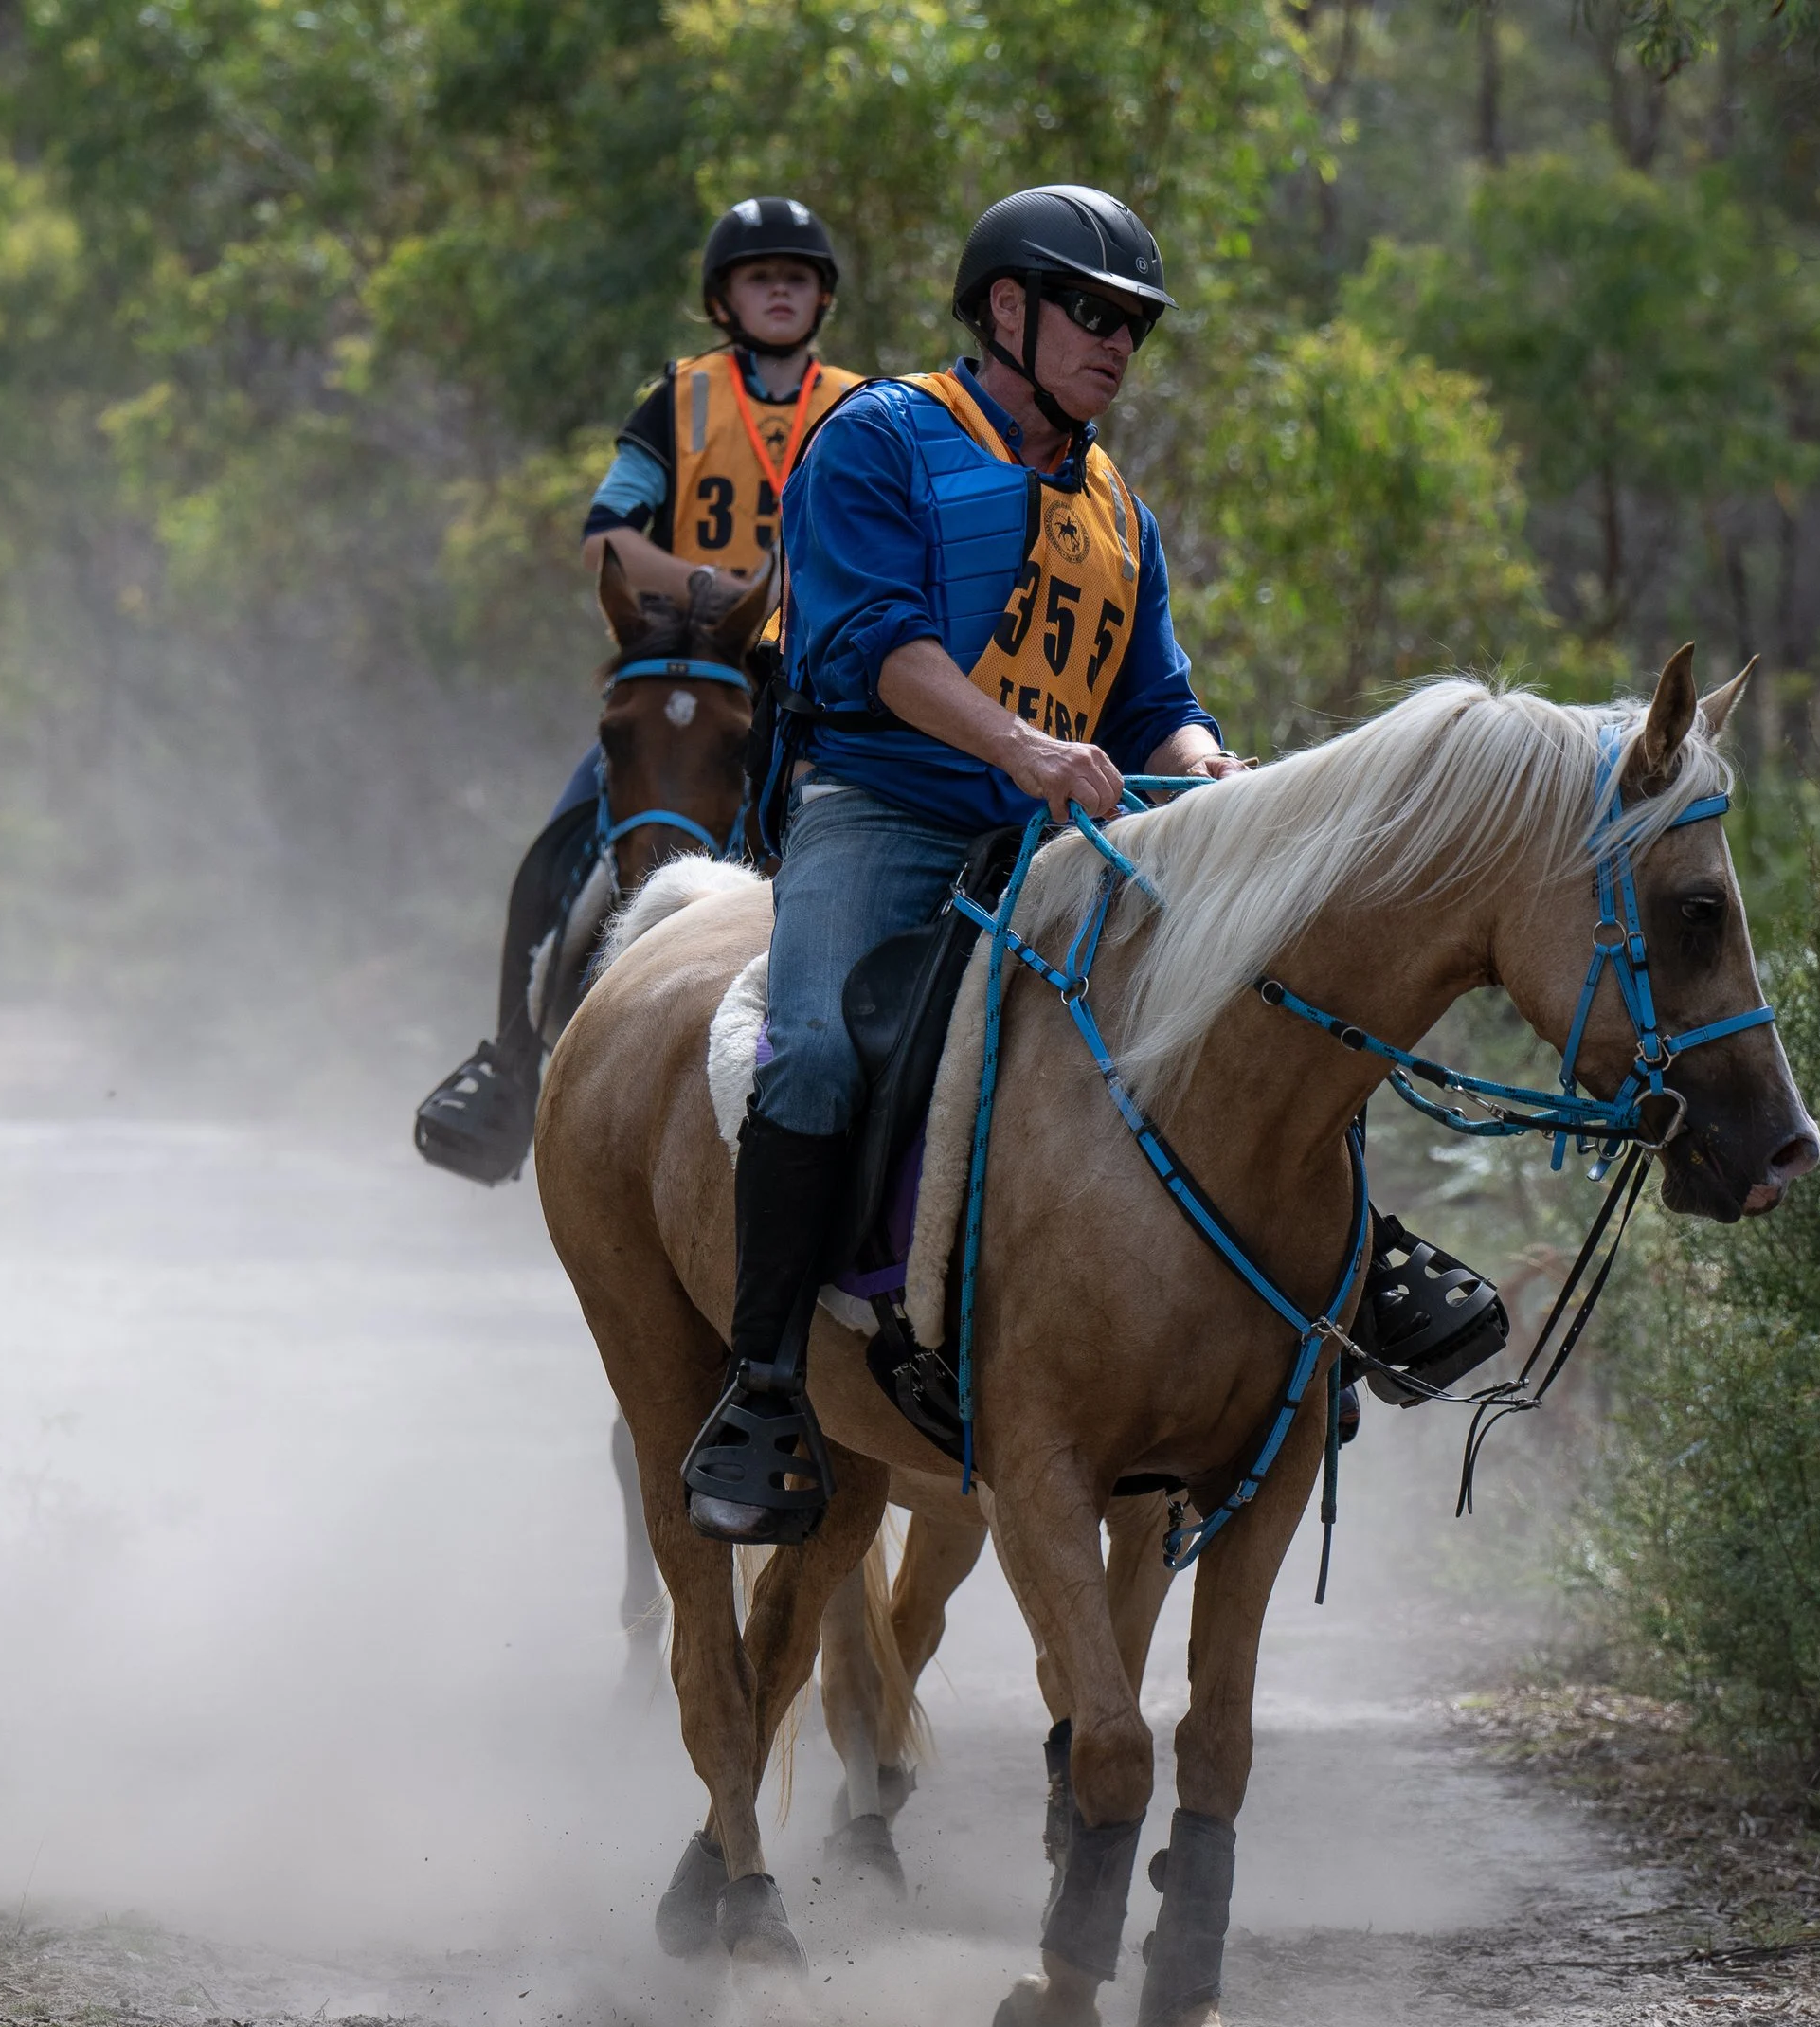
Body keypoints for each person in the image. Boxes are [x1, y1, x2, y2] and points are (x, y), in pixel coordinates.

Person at [683, 185, 1507, 1547]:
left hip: (1060, 828)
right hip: (888, 817)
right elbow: (878, 648)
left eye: (1136, 326)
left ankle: (1343, 1289)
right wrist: (1020, 746)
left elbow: (1152, 703)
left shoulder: (1117, 503)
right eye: (1093, 314)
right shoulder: (881, 437)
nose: (1119, 344)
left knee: (1259, 981)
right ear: (1006, 312)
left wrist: (1210, 761)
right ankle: (766, 1378)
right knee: (820, 1051)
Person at [414, 197, 861, 1185]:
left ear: (823, 292)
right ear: (722, 299)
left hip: (820, 681)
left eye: (797, 273)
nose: (780, 287)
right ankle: (509, 1071)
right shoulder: (680, 398)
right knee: (560, 844)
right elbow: (606, 535)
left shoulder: (865, 406)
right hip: (691, 658)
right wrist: (710, 590)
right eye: (759, 275)